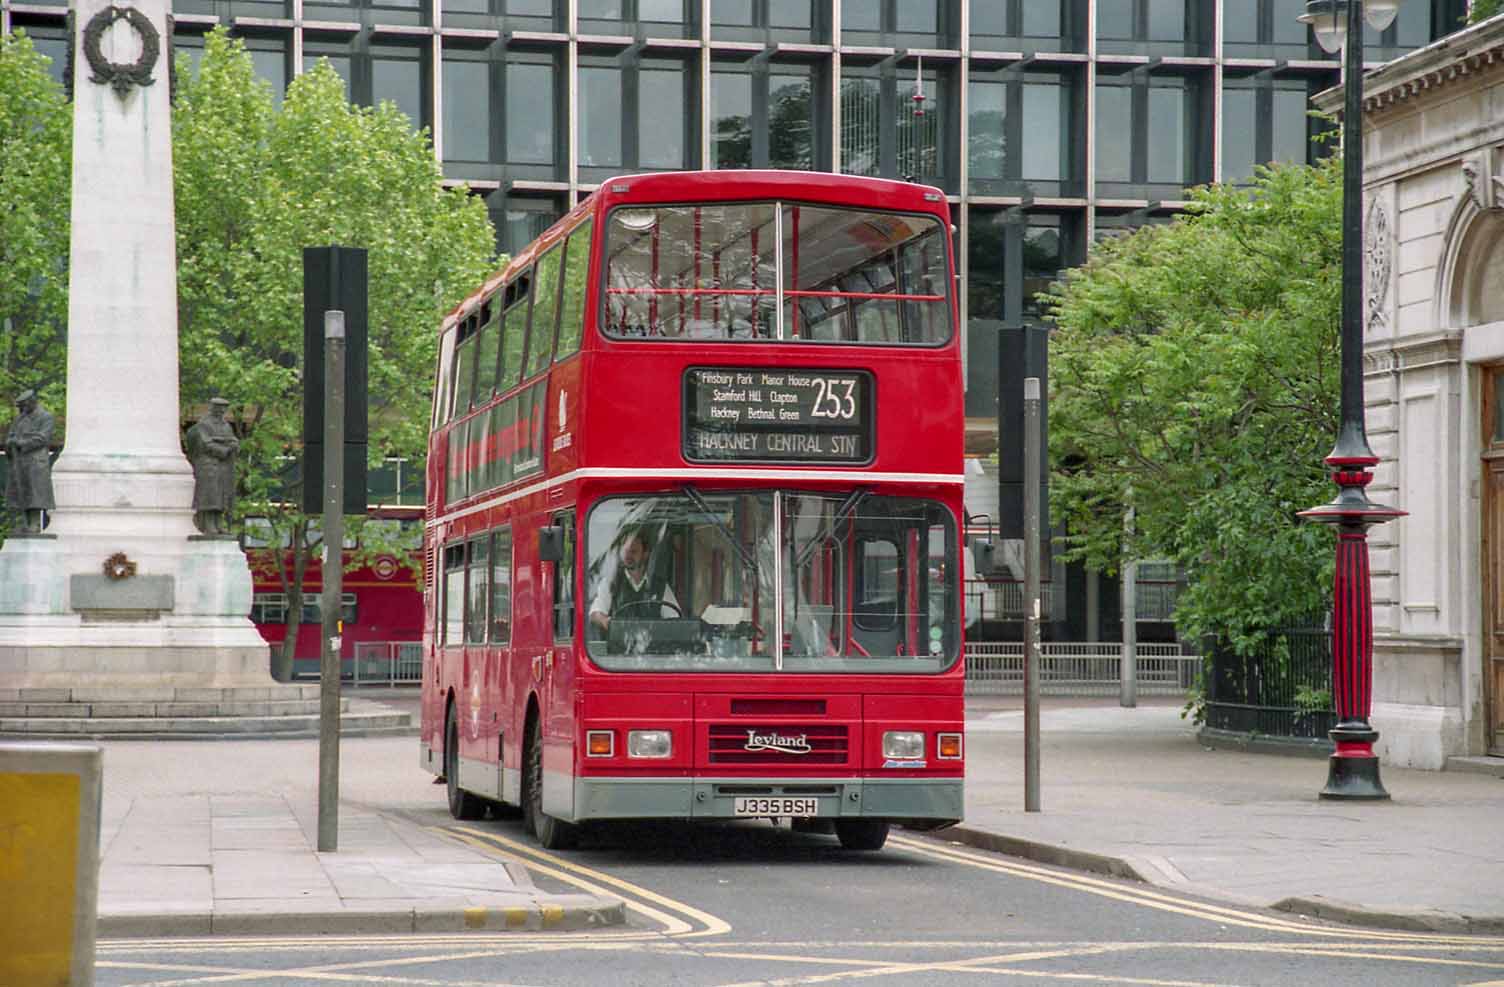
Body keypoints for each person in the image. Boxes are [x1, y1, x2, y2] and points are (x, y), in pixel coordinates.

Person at [589, 530, 680, 635]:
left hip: (651, 648)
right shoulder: (610, 583)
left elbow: (675, 620)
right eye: (626, 551)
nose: (628, 556)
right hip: (617, 648)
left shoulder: (660, 586)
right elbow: (596, 613)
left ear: (645, 554)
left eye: (633, 552)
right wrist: (606, 621)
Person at [185, 397, 239, 536]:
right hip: (208, 465)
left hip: (223, 466)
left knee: (221, 495)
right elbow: (205, 444)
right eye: (218, 407)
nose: (221, 410)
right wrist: (224, 450)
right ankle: (208, 524)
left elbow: (233, 439)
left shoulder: (225, 425)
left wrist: (234, 445)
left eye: (223, 408)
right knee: (209, 495)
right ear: (212, 407)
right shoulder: (204, 424)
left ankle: (218, 523)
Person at [4, 390, 55, 534]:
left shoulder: (46, 417)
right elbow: (11, 435)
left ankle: (35, 523)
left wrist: (20, 443)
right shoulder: (19, 419)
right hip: (19, 461)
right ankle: (22, 523)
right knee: (19, 492)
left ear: (32, 402)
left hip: (35, 461)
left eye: (24, 406)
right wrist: (10, 443)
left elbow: (43, 438)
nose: (22, 409)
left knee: (35, 492)